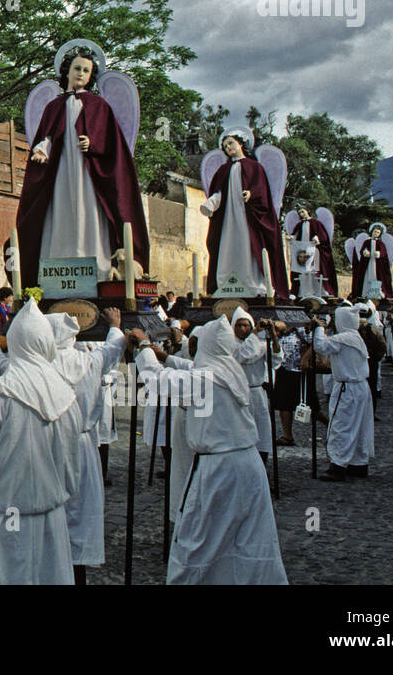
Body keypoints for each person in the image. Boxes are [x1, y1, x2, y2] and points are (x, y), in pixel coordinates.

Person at [134, 317, 287, 584]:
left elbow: (158, 382)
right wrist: (166, 357)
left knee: (199, 539)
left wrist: (144, 347)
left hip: (220, 470)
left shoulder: (207, 378)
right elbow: (191, 368)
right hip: (247, 465)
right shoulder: (230, 370)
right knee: (246, 538)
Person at [15, 40, 150, 287]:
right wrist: (42, 150)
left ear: (91, 77)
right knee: (59, 214)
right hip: (60, 175)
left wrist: (95, 144)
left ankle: (95, 273)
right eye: (77, 68)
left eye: (86, 71)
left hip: (88, 176)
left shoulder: (100, 106)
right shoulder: (53, 106)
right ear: (66, 71)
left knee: (89, 215)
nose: (81, 74)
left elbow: (114, 145)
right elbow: (46, 135)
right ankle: (57, 272)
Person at [0, 298, 84, 585]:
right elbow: (73, 465)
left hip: (8, 513)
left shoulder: (0, 395)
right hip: (51, 514)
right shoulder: (66, 396)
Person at [47, 307, 127, 584]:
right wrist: (115, 325)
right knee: (79, 512)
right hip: (82, 446)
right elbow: (115, 348)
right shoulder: (90, 361)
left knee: (54, 510)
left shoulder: (42, 365)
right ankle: (77, 572)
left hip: (52, 444)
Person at [201, 129, 288, 298]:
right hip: (228, 219)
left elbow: (262, 191)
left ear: (241, 143)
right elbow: (219, 192)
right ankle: (226, 283)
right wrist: (212, 202)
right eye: (225, 146)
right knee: (227, 247)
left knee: (248, 247)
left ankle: (251, 284)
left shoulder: (255, 167)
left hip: (247, 219)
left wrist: (251, 194)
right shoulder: (223, 170)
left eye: (231, 143)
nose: (228, 147)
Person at [313, 307, 375, 480]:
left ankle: (338, 465)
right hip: (361, 386)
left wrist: (319, 328)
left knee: (341, 425)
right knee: (359, 426)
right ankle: (358, 463)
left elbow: (320, 346)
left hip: (347, 388)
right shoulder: (355, 337)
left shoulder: (343, 339)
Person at [231, 309, 282, 462]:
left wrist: (273, 334)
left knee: (262, 431)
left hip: (257, 392)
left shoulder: (260, 344)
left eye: (246, 325)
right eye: (239, 325)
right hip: (239, 393)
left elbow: (275, 360)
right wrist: (254, 334)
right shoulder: (230, 344)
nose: (242, 329)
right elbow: (243, 355)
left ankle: (262, 463)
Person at [351, 224, 393, 298]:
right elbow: (362, 251)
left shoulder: (381, 244)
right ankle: (365, 292)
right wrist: (365, 253)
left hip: (377, 265)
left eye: (378, 232)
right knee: (366, 278)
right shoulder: (366, 242)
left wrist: (378, 254)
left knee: (376, 278)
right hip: (367, 264)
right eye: (375, 231)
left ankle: (377, 293)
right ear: (372, 231)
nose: (376, 233)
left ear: (380, 234)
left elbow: (383, 253)